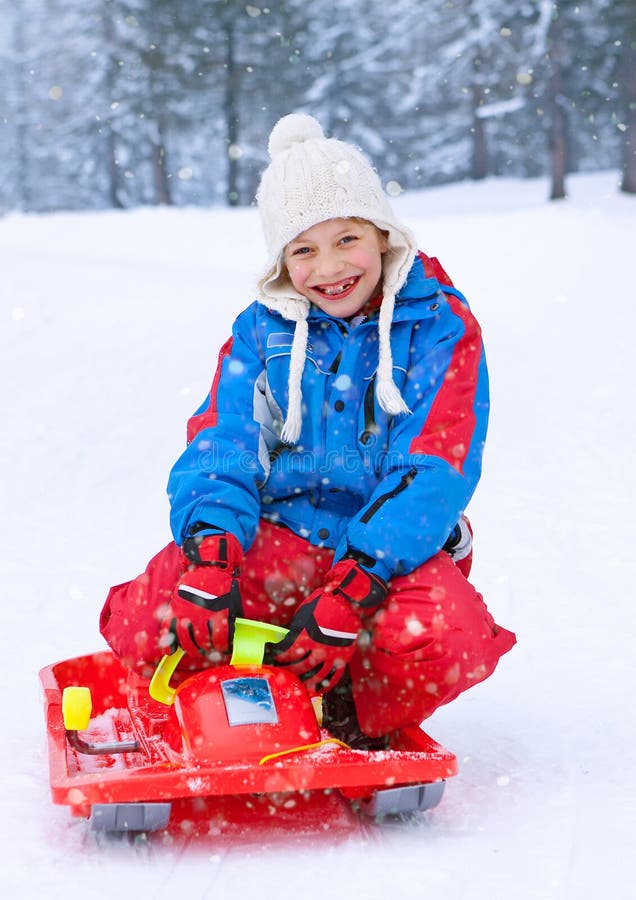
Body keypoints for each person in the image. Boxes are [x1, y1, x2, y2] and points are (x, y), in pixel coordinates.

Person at [99, 113, 516, 748]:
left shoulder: (440, 326)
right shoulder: (261, 330)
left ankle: (343, 704)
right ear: (281, 259)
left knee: (444, 637)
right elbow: (223, 440)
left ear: (381, 234)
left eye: (346, 239)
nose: (329, 267)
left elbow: (435, 464)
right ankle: (238, 689)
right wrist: (212, 555)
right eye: (303, 249)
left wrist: (353, 590)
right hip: (280, 534)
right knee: (155, 617)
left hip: (386, 558)